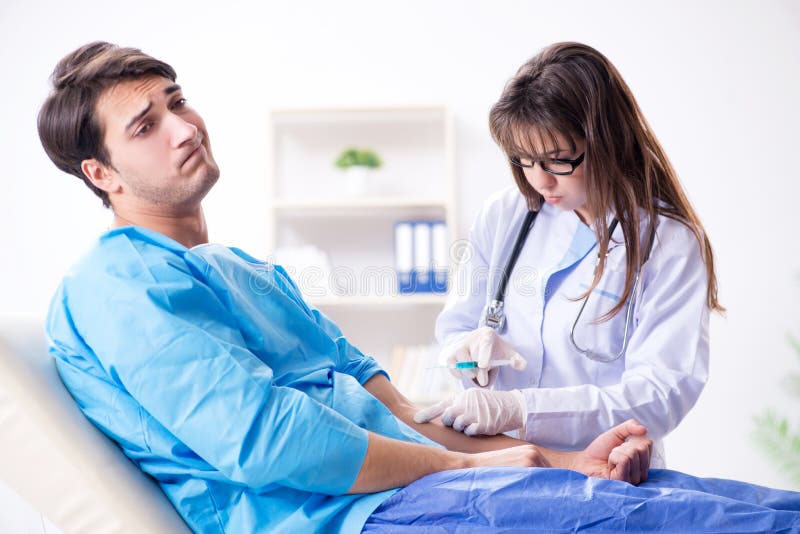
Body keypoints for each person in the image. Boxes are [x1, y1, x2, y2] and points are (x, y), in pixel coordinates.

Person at [38, 41, 654, 533]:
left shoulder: (243, 269)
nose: (184, 129)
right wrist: (465, 467)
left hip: (416, 491)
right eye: (146, 126)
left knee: (694, 502)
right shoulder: (116, 284)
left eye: (178, 102)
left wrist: (564, 462)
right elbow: (268, 441)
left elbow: (392, 405)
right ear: (101, 173)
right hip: (344, 515)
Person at [415, 42, 723, 468]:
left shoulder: (668, 243)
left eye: (557, 160)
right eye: (523, 160)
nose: (539, 180)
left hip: (607, 471)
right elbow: (455, 328)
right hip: (502, 464)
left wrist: (523, 409)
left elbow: (661, 391)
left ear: (606, 141)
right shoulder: (506, 215)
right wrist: (467, 353)